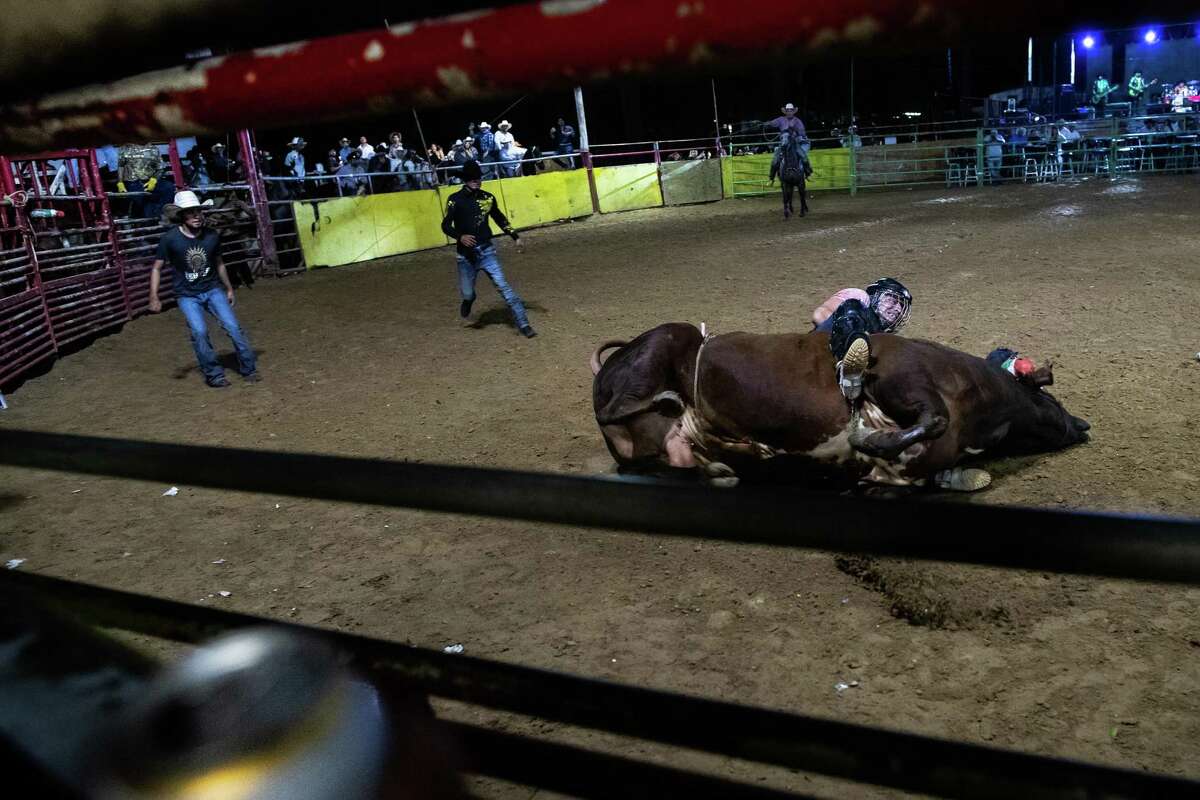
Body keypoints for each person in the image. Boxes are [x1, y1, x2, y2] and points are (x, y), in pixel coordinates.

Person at [148, 191, 259, 388]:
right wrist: (154, 296)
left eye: (198, 211)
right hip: (187, 295)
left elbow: (219, 263)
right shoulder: (170, 239)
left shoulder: (211, 236)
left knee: (233, 328)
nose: (196, 216)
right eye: (190, 213)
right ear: (182, 216)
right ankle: (214, 375)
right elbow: (157, 267)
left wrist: (229, 288)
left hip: (213, 288)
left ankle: (249, 368)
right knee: (199, 332)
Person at [440, 160, 535, 338]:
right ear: (466, 180)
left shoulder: (488, 198)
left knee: (504, 287)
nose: (476, 180)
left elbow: (499, 218)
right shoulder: (454, 200)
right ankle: (468, 300)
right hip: (465, 256)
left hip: (486, 251)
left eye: (478, 177)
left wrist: (515, 236)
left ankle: (523, 323)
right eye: (472, 178)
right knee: (467, 293)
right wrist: (460, 236)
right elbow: (445, 225)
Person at [810, 278, 912, 401]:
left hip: (838, 381)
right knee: (852, 306)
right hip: (821, 346)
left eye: (901, 306)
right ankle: (847, 366)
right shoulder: (859, 297)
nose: (898, 309)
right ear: (876, 295)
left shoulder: (884, 336)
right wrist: (854, 335)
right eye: (893, 300)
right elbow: (819, 315)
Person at [765, 103, 813, 177]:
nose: (789, 112)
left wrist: (795, 130)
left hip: (794, 143)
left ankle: (807, 172)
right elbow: (772, 123)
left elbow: (802, 133)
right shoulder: (780, 119)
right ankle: (771, 176)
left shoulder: (797, 121)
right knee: (775, 160)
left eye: (791, 110)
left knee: (804, 157)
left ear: (793, 111)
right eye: (788, 110)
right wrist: (766, 123)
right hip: (783, 144)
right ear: (786, 112)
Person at [116, 142, 162, 218]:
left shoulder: (153, 149)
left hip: (149, 180)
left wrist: (154, 180)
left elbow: (160, 167)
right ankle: (143, 221)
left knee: (169, 188)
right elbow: (120, 166)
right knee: (142, 204)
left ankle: (158, 217)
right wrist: (120, 183)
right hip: (132, 182)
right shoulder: (125, 148)